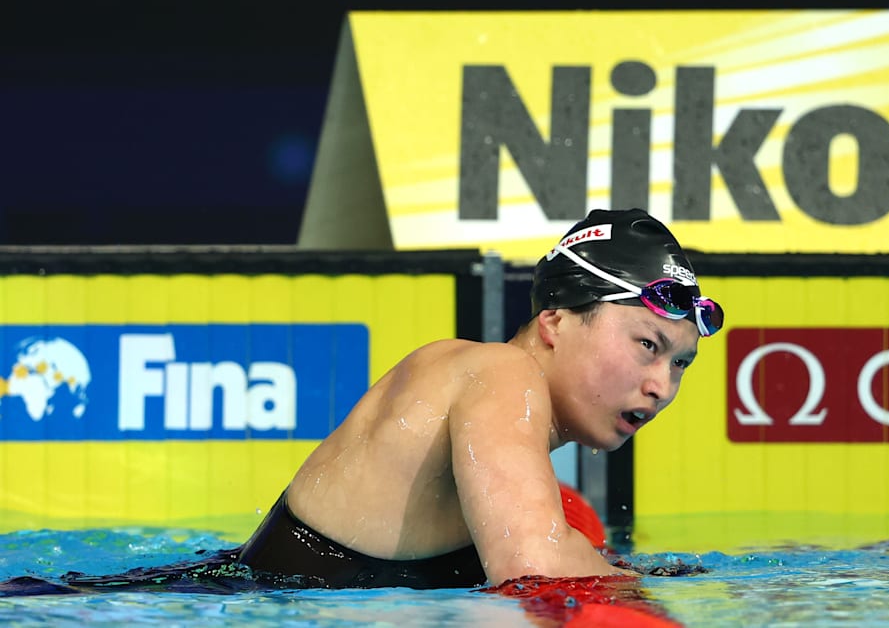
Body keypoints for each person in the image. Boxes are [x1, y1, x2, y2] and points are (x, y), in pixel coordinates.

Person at [0, 207, 722, 598]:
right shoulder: (500, 373)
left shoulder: (486, 391)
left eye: (680, 363)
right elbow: (531, 569)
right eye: (647, 344)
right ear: (557, 320)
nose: (662, 386)